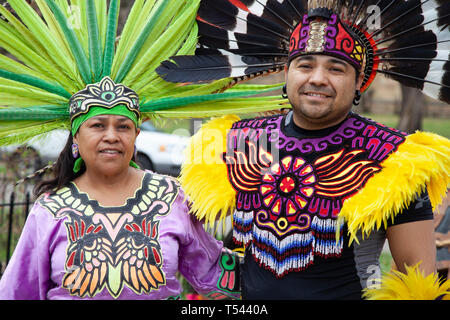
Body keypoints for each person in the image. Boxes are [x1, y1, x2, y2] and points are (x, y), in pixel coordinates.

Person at [156, 0, 450, 299]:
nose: (318, 78)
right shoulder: (237, 140)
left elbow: (417, 281)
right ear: (288, 73)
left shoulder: (396, 158)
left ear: (359, 80)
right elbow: (184, 229)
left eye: (336, 68)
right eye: (305, 65)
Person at [0, 0, 245, 300]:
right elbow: (17, 292)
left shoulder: (171, 198)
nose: (112, 136)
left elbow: (218, 277)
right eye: (98, 126)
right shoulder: (49, 211)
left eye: (123, 127)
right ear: (75, 138)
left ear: (136, 135)